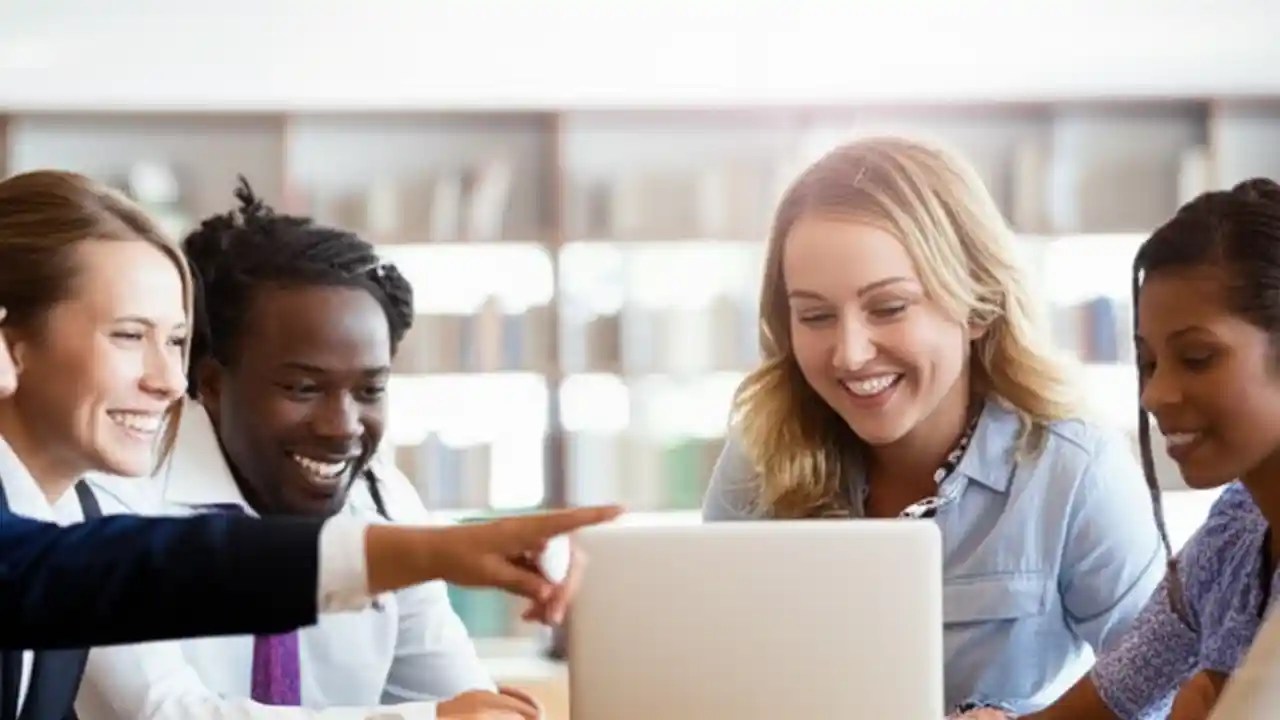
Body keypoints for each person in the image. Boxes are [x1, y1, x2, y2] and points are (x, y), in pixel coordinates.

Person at [0, 169, 620, 720]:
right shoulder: (94, 508)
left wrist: (429, 552)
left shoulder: (56, 519)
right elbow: (179, 609)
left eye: (176, 342)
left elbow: (189, 570)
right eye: (130, 335)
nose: (167, 382)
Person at [700, 136, 1165, 715]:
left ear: (976, 304)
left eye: (889, 308)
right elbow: (712, 674)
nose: (848, 354)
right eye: (815, 316)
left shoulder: (1074, 470)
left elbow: (1170, 697)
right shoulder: (761, 455)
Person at [956, 179, 1280, 719]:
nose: (1154, 395)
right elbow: (1114, 695)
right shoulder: (1235, 533)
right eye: (1148, 362)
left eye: (1197, 357)